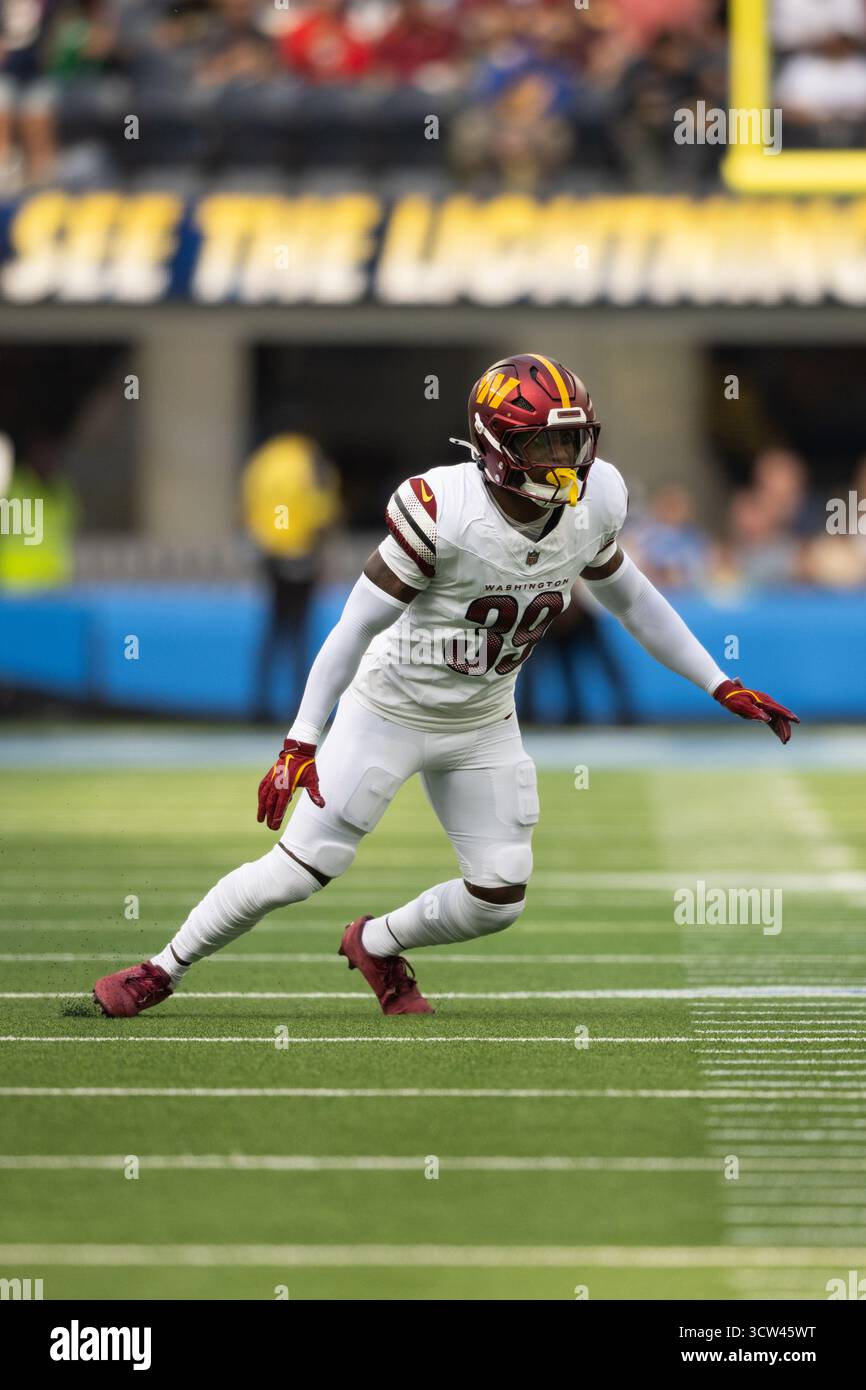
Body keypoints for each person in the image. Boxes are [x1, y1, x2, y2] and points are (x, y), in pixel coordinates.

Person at [93, 353, 798, 1019]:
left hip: (484, 719)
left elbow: (634, 599)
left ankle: (375, 944)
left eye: (575, 442)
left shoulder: (597, 501)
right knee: (298, 871)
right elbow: (351, 628)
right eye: (547, 448)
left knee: (499, 895)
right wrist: (301, 738)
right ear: (494, 448)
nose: (569, 463)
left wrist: (717, 681)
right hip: (389, 711)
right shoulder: (443, 509)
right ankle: (162, 967)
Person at [241, 432, 341, 722]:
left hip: (271, 554)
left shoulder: (263, 461)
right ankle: (301, 709)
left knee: (272, 631)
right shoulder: (312, 462)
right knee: (300, 634)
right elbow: (322, 510)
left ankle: (259, 706)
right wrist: (321, 555)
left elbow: (248, 508)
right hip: (303, 553)